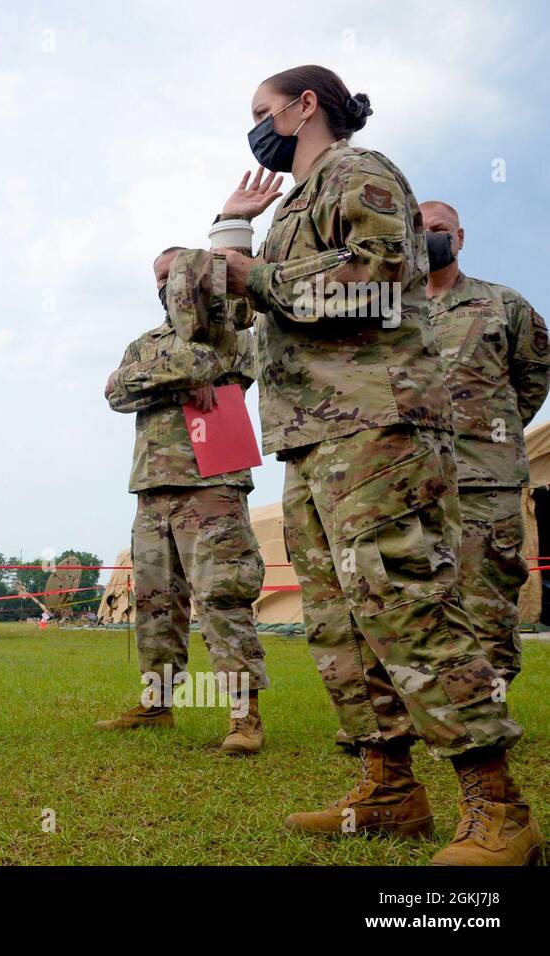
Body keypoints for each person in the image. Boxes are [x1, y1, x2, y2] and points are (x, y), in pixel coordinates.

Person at [210, 65, 538, 865]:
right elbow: (247, 313)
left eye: (263, 112)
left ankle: (501, 813)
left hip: (378, 426)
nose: (255, 126)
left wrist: (262, 277)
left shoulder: (360, 172)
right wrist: (232, 232)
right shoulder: (295, 203)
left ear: (305, 105)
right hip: (314, 435)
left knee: (407, 605)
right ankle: (388, 789)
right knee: (339, 623)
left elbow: (380, 279)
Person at [99, 247, 267, 754]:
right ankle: (157, 705)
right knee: (154, 604)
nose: (166, 285)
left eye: (173, 275)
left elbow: (222, 360)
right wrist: (184, 377)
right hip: (152, 489)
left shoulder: (230, 331)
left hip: (213, 482)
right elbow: (114, 391)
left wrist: (176, 374)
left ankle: (245, 717)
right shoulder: (143, 342)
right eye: (158, 277)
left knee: (222, 597)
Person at [422, 200, 549, 689]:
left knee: (487, 595)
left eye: (440, 229)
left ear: (460, 237)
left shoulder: (503, 304)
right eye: (420, 229)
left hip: (485, 478)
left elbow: (533, 378)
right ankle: (443, 704)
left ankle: (489, 706)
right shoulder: (392, 312)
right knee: (427, 597)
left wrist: (496, 430)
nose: (430, 237)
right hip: (414, 481)